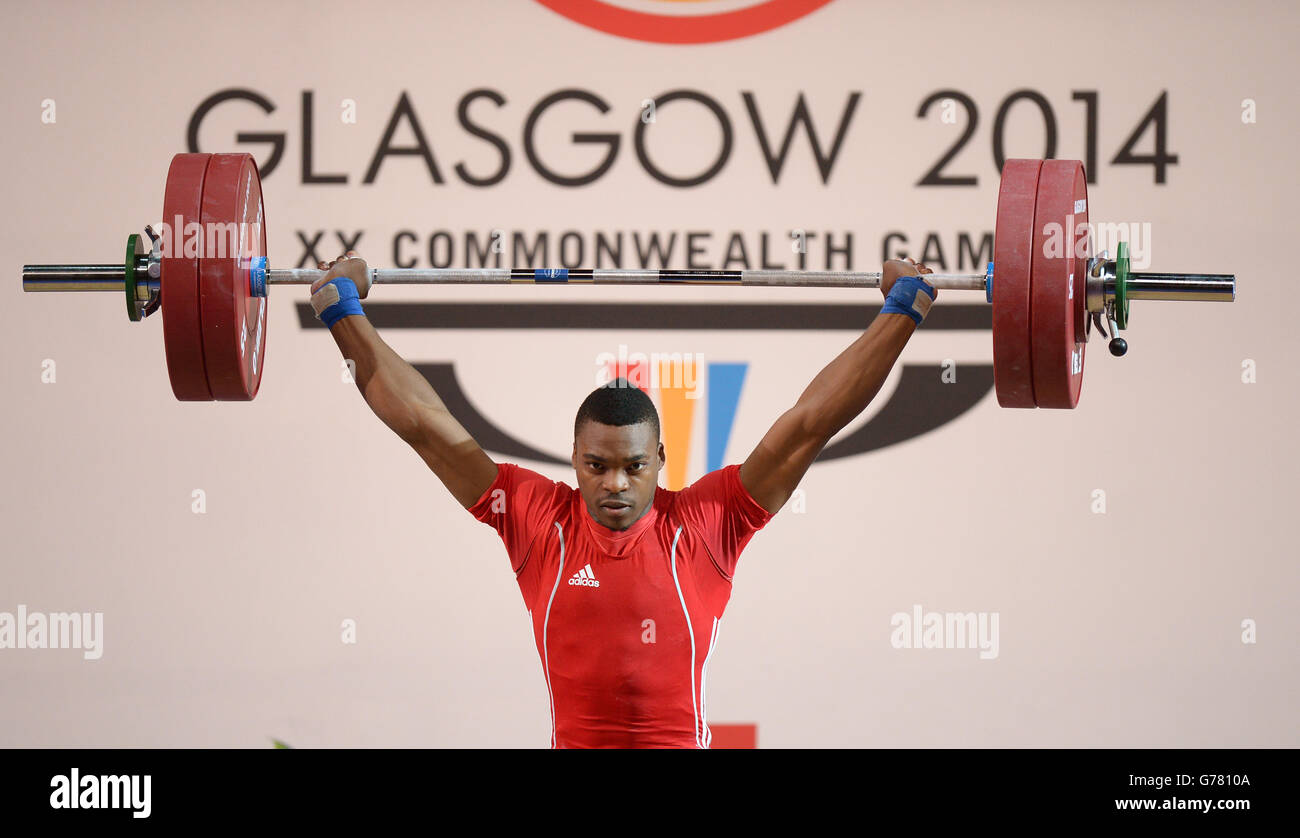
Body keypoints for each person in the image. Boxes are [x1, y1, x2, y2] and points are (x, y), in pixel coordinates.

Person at [309, 252, 936, 748]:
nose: (615, 483)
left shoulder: (707, 522)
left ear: (660, 461)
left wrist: (900, 311)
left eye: (634, 466)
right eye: (597, 465)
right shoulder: (533, 519)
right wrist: (344, 313)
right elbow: (425, 424)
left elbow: (809, 424)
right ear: (574, 461)